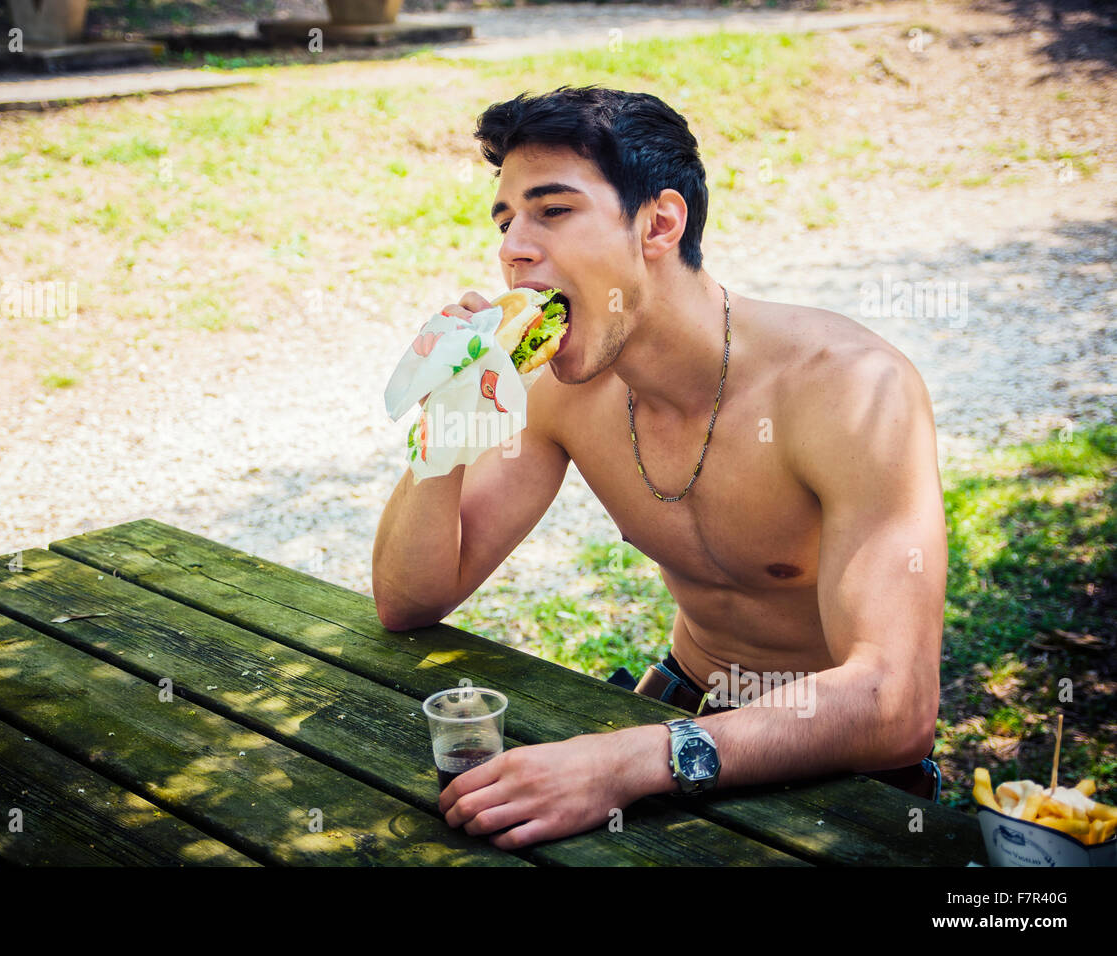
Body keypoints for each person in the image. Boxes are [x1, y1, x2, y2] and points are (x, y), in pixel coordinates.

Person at [371, 85, 947, 850]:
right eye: (505, 220)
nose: (513, 247)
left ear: (660, 222)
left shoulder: (849, 389)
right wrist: (442, 425)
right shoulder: (557, 394)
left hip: (832, 756)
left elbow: (894, 702)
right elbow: (409, 602)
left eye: (553, 210)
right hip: (678, 702)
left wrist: (625, 762)